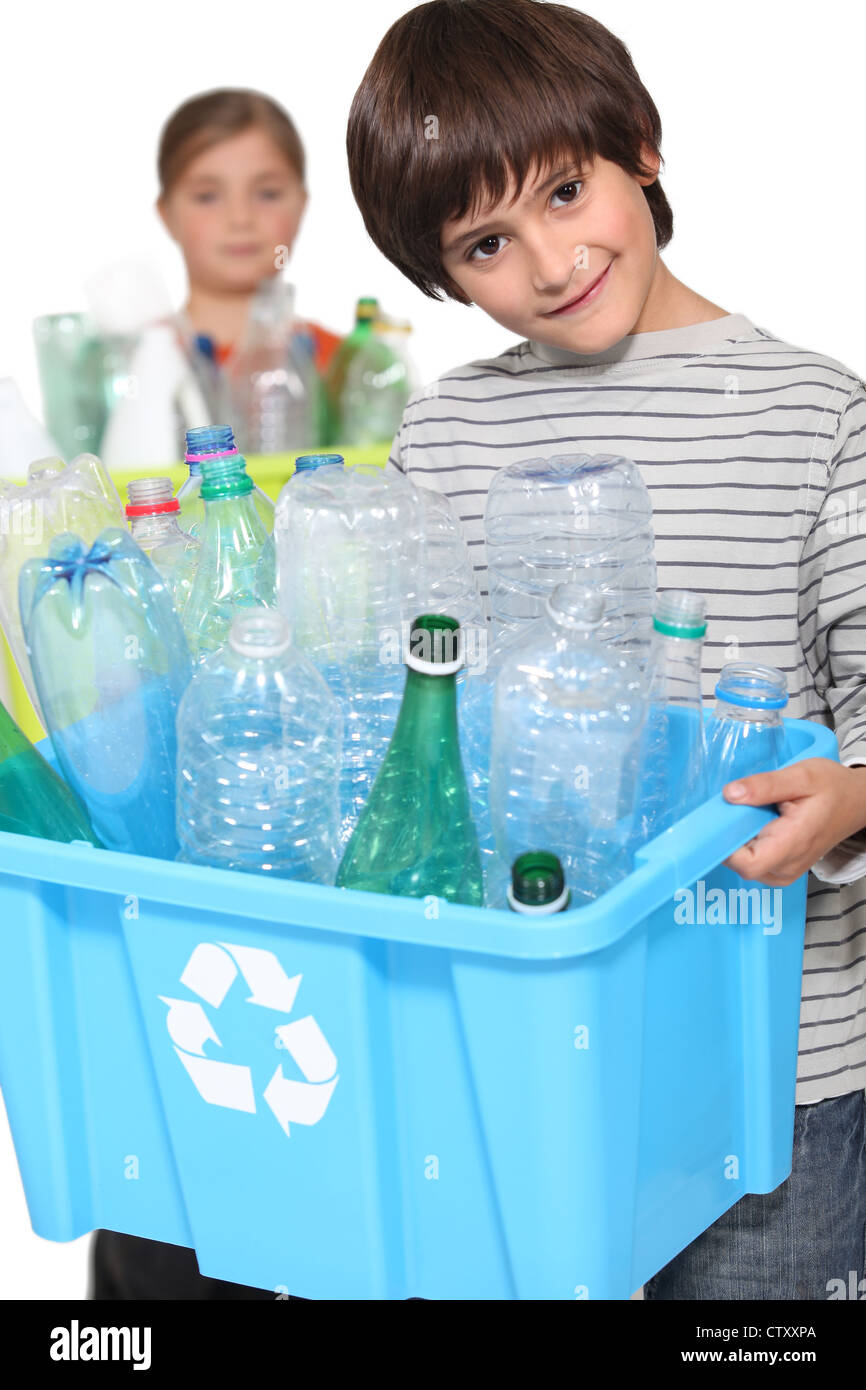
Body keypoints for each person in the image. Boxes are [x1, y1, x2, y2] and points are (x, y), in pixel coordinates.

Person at [346, 0, 866, 1299]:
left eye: (566, 189)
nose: (548, 260)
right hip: (502, 1037)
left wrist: (845, 798)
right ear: (444, 275)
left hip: (768, 1056)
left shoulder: (816, 417)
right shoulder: (450, 432)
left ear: (638, 144)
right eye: (484, 241)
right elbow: (401, 706)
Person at [157, 87, 340, 389]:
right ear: (167, 215)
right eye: (207, 197)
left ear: (301, 206)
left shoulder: (343, 369)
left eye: (267, 194)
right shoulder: (130, 367)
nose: (240, 218)